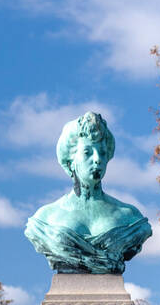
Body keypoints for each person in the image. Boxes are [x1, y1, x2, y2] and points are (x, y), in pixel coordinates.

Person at [24, 111, 153, 274]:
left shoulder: (130, 217)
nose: (97, 158)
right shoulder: (45, 218)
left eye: (103, 152)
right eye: (87, 152)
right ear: (71, 160)